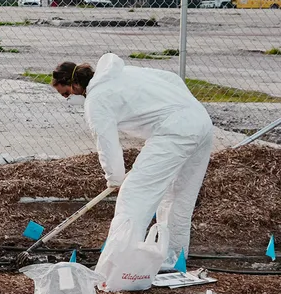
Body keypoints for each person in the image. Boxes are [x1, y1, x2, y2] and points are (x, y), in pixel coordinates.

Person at [51, 53, 214, 278]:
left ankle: (117, 264)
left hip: (175, 130)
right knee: (178, 196)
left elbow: (106, 142)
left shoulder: (97, 99)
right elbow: (171, 79)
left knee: (134, 194)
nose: (68, 99)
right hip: (201, 121)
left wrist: (115, 178)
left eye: (67, 94)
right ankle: (173, 258)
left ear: (76, 84)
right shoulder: (121, 74)